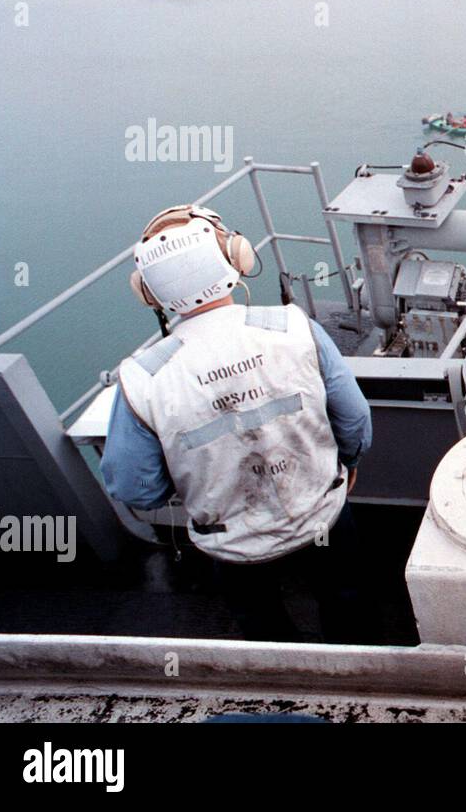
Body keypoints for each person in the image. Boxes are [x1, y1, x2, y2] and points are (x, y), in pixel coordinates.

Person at [100, 204, 376, 643]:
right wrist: (347, 466)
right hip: (324, 516)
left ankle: (283, 692)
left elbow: (136, 488)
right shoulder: (295, 327)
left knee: (263, 629)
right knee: (348, 603)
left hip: (232, 546)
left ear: (150, 294)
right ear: (236, 258)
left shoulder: (142, 378)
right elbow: (355, 422)